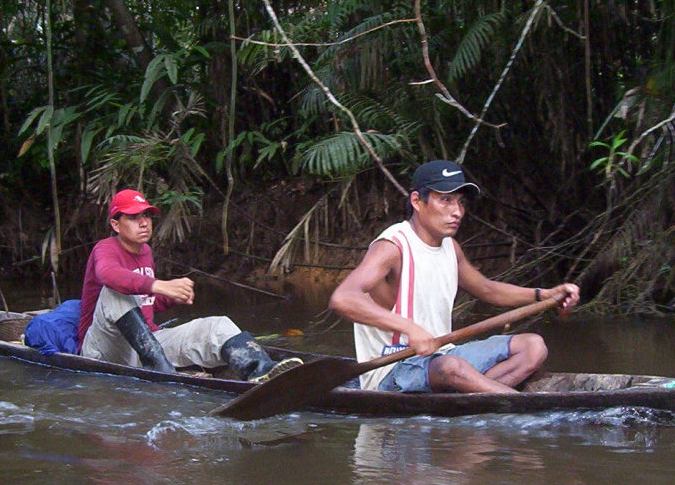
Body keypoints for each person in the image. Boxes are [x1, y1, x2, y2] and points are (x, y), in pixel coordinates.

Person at [329, 160, 579, 394]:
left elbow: (487, 289)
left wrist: (544, 295)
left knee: (533, 346)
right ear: (417, 201)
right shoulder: (393, 246)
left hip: (442, 357)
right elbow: (344, 299)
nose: (457, 211)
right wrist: (410, 328)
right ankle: (516, 401)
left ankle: (472, 394)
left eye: (460, 202)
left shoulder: (450, 247)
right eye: (445, 200)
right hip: (393, 369)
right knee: (451, 367)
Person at [77, 189, 301, 382]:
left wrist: (172, 296)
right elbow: (109, 276)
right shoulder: (105, 248)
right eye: (134, 217)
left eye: (146, 215)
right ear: (116, 224)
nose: (144, 222)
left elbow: (143, 305)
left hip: (149, 346)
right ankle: (163, 374)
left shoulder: (145, 252)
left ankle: (260, 371)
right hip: (105, 349)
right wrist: (159, 285)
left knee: (217, 326)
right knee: (114, 292)